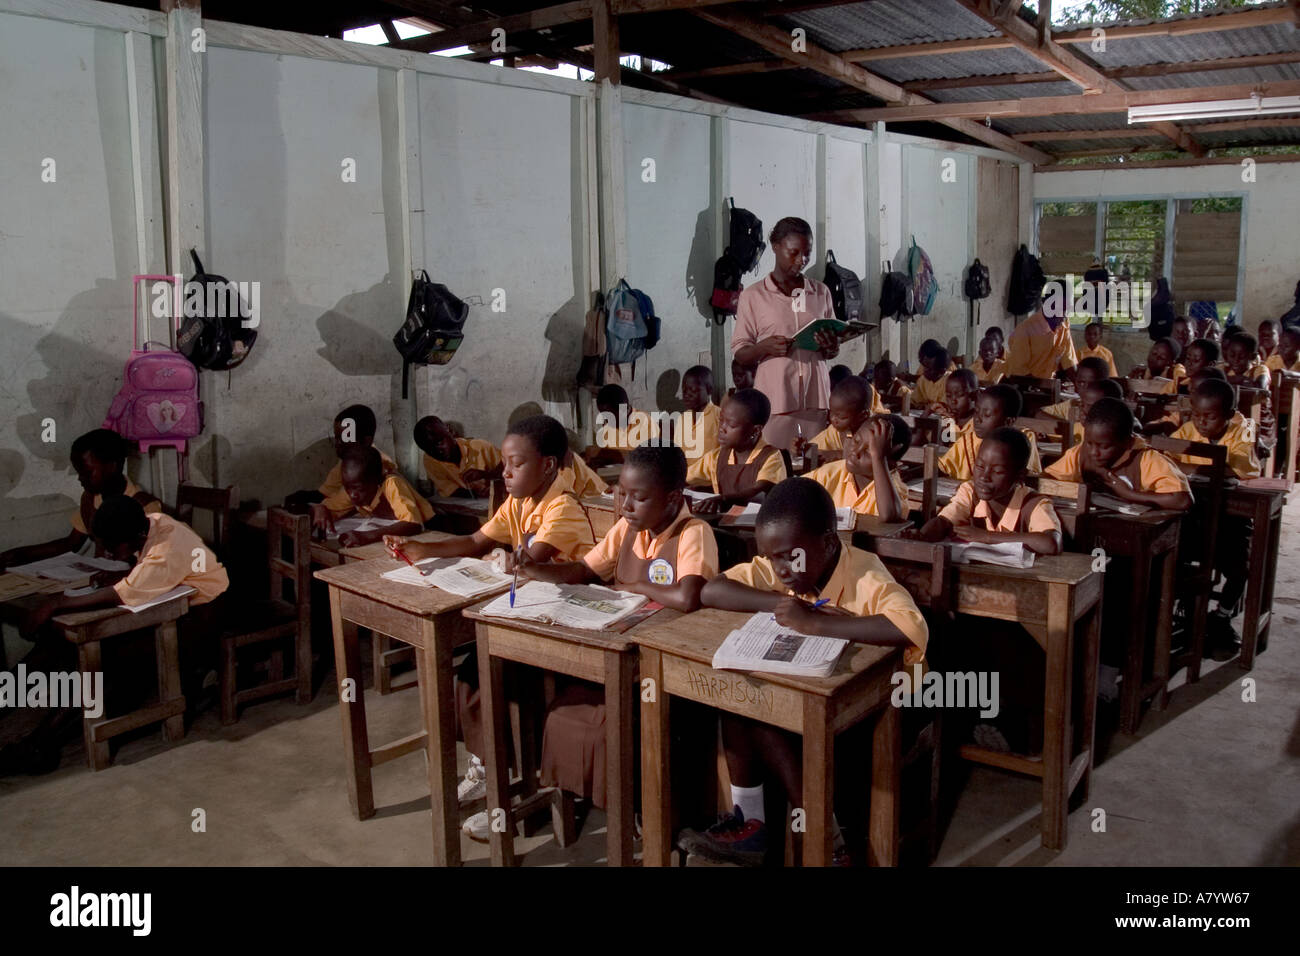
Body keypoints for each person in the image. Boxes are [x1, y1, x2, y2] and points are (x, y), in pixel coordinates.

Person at [679, 478, 927, 866]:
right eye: (770, 557)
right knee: (739, 699)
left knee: (763, 712)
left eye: (787, 557)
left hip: (885, 706)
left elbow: (911, 628)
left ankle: (824, 840)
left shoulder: (865, 572)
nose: (780, 568)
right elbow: (713, 591)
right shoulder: (783, 567)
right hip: (816, 701)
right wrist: (783, 602)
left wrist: (817, 623)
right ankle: (754, 823)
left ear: (828, 544)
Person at [383, 414, 596, 840]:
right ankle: (490, 769)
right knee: (469, 674)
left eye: (515, 464)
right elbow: (478, 541)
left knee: (495, 679)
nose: (505, 472)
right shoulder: (517, 501)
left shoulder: (562, 505)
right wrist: (423, 547)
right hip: (527, 619)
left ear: (549, 466)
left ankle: (517, 794)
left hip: (571, 628)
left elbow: (528, 561)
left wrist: (503, 563)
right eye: (504, 463)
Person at [513, 444, 719, 810]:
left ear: (673, 498)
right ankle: (590, 792)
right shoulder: (627, 527)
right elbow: (584, 570)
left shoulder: (693, 531)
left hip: (666, 667)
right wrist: (533, 569)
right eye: (622, 494)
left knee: (611, 722)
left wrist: (633, 586)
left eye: (638, 498)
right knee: (560, 703)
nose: (624, 507)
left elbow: (689, 596)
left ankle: (638, 806)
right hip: (621, 649)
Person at [730, 217, 840, 450]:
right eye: (794, 252)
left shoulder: (820, 292)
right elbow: (741, 352)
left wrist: (830, 346)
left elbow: (831, 351)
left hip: (816, 399)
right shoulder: (754, 296)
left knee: (815, 469)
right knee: (777, 470)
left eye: (807, 253)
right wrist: (763, 348)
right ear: (776, 247)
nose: (802, 260)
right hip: (775, 400)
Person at [0, 428, 161, 572]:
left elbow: (152, 564)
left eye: (87, 472)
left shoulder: (144, 506)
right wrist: (18, 554)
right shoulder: (91, 498)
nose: (80, 479)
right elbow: (70, 545)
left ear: (112, 466)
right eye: (79, 472)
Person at [914, 428, 1063, 556]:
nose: (984, 477)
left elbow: (1051, 543)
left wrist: (988, 536)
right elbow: (943, 522)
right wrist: (920, 537)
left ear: (1020, 475)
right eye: (979, 467)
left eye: (997, 471)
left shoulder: (1034, 503)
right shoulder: (970, 492)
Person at [1044, 398, 1192, 512]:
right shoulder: (1079, 454)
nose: (1094, 452)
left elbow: (1182, 500)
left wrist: (1128, 494)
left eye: (1104, 447)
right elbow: (1047, 479)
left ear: (1127, 442)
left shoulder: (1147, 460)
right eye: (1089, 443)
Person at [685, 389, 788, 515]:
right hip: (726, 525)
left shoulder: (771, 457)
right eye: (721, 420)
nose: (722, 428)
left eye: (731, 425)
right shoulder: (717, 457)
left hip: (759, 527)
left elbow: (759, 492)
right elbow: (685, 477)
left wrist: (724, 499)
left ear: (755, 430)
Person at [805, 416, 910, 520]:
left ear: (890, 462)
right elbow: (793, 491)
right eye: (856, 441)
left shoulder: (893, 490)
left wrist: (878, 458)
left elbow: (889, 516)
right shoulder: (832, 472)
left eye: (869, 451)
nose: (856, 452)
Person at [326, 447, 432, 547]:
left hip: (427, 533)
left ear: (376, 480)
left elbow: (413, 524)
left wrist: (366, 536)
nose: (352, 495)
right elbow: (327, 508)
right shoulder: (354, 488)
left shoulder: (391, 484)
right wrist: (320, 509)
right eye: (347, 487)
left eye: (358, 489)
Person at [308, 404, 398, 521]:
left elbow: (341, 502)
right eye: (337, 438)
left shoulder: (376, 466)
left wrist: (318, 507)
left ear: (366, 441)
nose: (337, 444)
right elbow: (325, 493)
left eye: (345, 438)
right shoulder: (347, 462)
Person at [939, 383, 1042, 480]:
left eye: (987, 415)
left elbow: (1027, 477)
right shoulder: (967, 440)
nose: (977, 419)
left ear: (1008, 421)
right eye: (976, 412)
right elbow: (942, 468)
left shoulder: (1023, 440)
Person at [415, 415, 501, 499]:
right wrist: (476, 493)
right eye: (429, 450)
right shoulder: (430, 460)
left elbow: (509, 471)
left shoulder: (480, 447)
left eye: (439, 442)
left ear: (450, 431)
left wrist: (487, 475)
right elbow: (448, 489)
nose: (438, 451)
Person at [798, 376, 880, 461]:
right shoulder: (835, 431)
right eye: (831, 412)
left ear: (863, 416)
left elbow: (872, 461)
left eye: (841, 417)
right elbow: (815, 450)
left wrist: (838, 454)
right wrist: (802, 449)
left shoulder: (875, 433)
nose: (833, 419)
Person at [583, 384, 660, 468]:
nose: (606, 420)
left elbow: (646, 460)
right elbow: (610, 457)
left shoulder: (646, 423)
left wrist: (607, 453)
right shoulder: (609, 426)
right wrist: (599, 460)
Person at [1005, 293, 1078, 381]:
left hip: (1047, 384)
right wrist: (1042, 387)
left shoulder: (1063, 326)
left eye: (1067, 309)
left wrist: (1079, 386)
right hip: (1024, 383)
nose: (1064, 315)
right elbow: (1019, 371)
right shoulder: (1025, 329)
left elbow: (1069, 363)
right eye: (1060, 308)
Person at [679, 365, 722, 463]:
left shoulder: (720, 417)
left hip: (709, 476)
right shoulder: (682, 418)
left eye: (693, 390)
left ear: (709, 390)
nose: (687, 394)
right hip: (685, 476)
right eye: (684, 390)